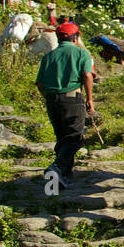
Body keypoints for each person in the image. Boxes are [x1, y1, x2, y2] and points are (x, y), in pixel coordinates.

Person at [36, 21, 95, 186]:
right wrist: (89, 98)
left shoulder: (49, 56)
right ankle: (56, 167)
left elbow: (40, 83)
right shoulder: (81, 53)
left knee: (62, 139)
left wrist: (48, 96)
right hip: (72, 99)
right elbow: (88, 76)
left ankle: (60, 180)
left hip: (51, 100)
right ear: (75, 38)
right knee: (75, 138)